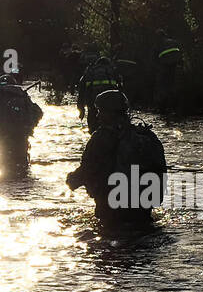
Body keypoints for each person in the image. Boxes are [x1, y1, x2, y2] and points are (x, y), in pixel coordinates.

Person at [67, 89, 167, 229]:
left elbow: (86, 170)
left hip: (111, 213)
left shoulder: (100, 138)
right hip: (143, 212)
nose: (98, 116)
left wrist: (71, 179)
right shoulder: (147, 136)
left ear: (109, 113)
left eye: (100, 111)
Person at [0, 75, 43, 171]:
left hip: (3, 141)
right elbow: (38, 113)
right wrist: (29, 127)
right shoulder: (24, 98)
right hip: (21, 140)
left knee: (3, 169)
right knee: (23, 168)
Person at [78, 55, 124, 132]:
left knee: (92, 126)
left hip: (92, 100)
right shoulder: (112, 70)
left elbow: (81, 90)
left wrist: (81, 109)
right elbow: (121, 88)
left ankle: (93, 135)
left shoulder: (90, 71)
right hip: (110, 101)